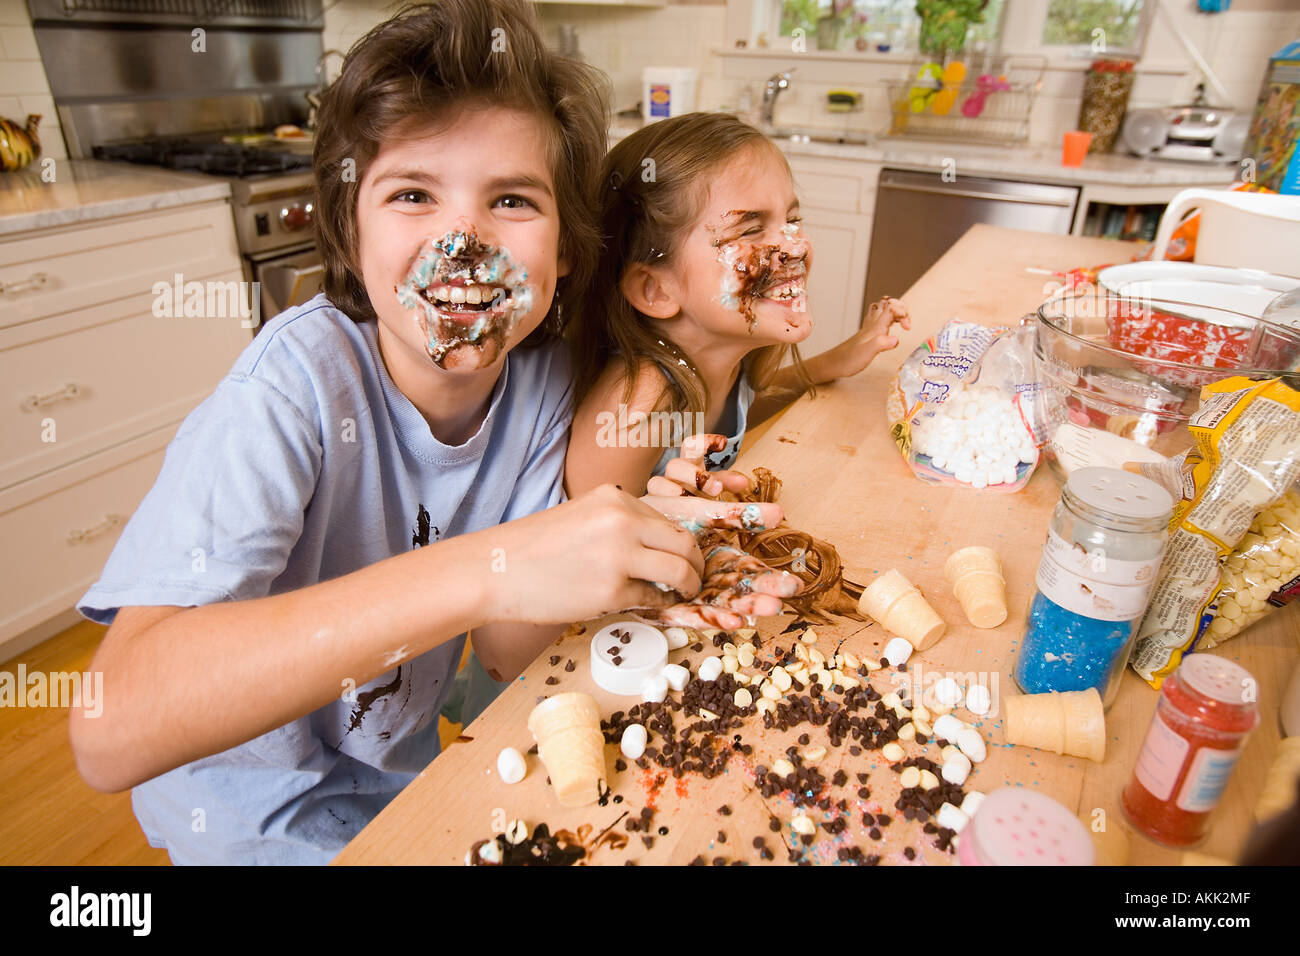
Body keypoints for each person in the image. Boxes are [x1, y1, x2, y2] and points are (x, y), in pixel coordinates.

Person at [68, 0, 737, 865]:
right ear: (350, 227)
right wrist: (492, 566)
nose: (461, 239)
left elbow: (502, 652)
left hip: (400, 790)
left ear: (567, 250)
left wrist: (617, 543)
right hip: (249, 823)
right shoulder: (290, 392)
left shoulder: (540, 384)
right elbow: (108, 731)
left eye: (511, 200)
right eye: (413, 194)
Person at [565, 112, 911, 500]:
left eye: (792, 219)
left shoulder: (720, 360)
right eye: (749, 230)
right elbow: (593, 537)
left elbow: (747, 402)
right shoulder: (639, 407)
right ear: (656, 290)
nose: (795, 246)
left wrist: (833, 362)